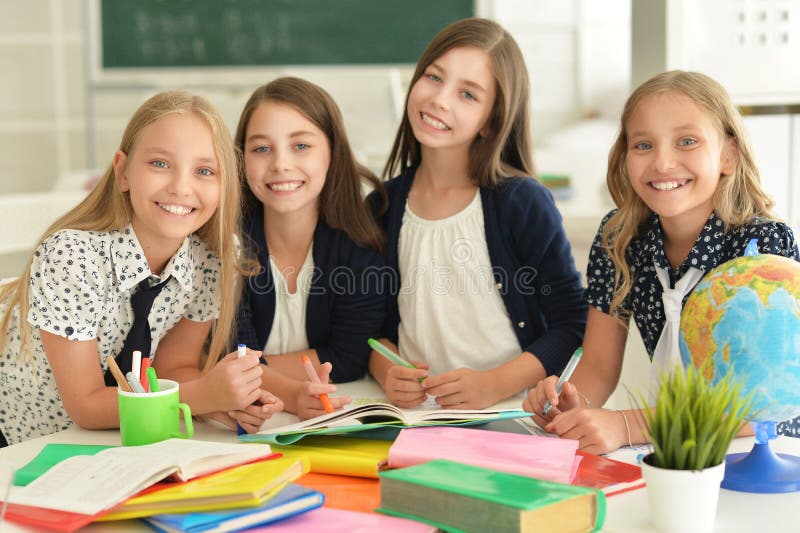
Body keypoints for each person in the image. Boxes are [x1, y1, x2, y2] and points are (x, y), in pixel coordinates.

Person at [524, 70, 800, 453]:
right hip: (672, 449)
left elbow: (759, 407)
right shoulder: (619, 238)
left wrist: (626, 424)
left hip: (765, 454)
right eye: (643, 145)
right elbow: (599, 367)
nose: (663, 162)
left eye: (687, 141)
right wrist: (573, 404)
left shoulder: (761, 244)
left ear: (728, 154)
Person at [0, 91, 282, 446]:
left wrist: (220, 406)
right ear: (123, 172)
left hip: (115, 449)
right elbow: (86, 406)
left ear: (224, 186)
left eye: (204, 171)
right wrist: (203, 396)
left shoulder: (211, 261)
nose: (181, 187)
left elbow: (172, 369)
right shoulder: (71, 256)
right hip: (24, 448)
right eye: (160, 164)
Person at [369, 18, 587, 410]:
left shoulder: (521, 203)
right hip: (419, 419)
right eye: (434, 78)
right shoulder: (382, 207)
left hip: (511, 414)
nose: (440, 99)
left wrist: (495, 384)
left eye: (468, 94)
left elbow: (573, 322)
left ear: (492, 121)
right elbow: (371, 329)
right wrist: (387, 371)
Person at [234, 77, 388, 420]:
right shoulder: (226, 244)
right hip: (247, 418)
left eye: (300, 146)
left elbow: (349, 356)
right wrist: (284, 389)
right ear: (241, 158)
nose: (280, 164)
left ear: (333, 151)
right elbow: (231, 352)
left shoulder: (360, 244)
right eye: (261, 148)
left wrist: (256, 372)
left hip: (329, 412)